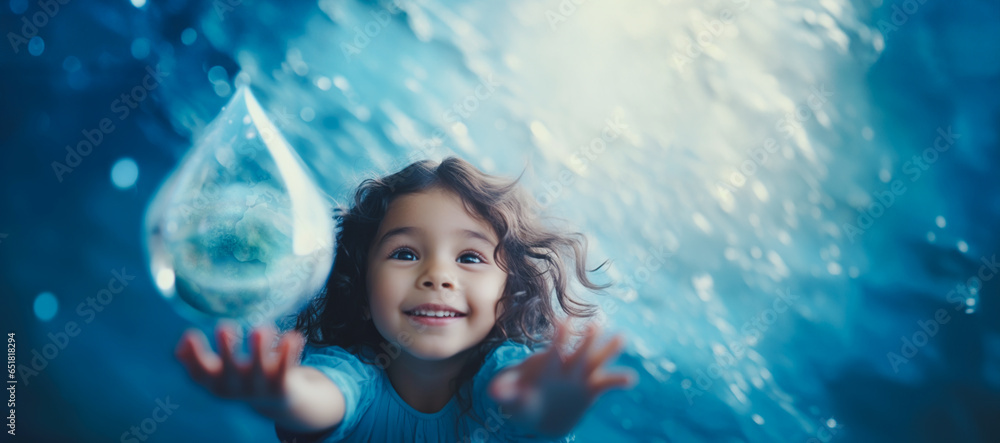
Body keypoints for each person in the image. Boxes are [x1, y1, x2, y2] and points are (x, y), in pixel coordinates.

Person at [175, 156, 637, 441]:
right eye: (405, 253)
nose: (437, 275)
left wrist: (545, 403)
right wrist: (282, 392)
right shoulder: (352, 375)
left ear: (507, 294)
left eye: (471, 258)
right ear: (359, 285)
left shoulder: (505, 377)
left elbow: (519, 401)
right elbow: (322, 395)